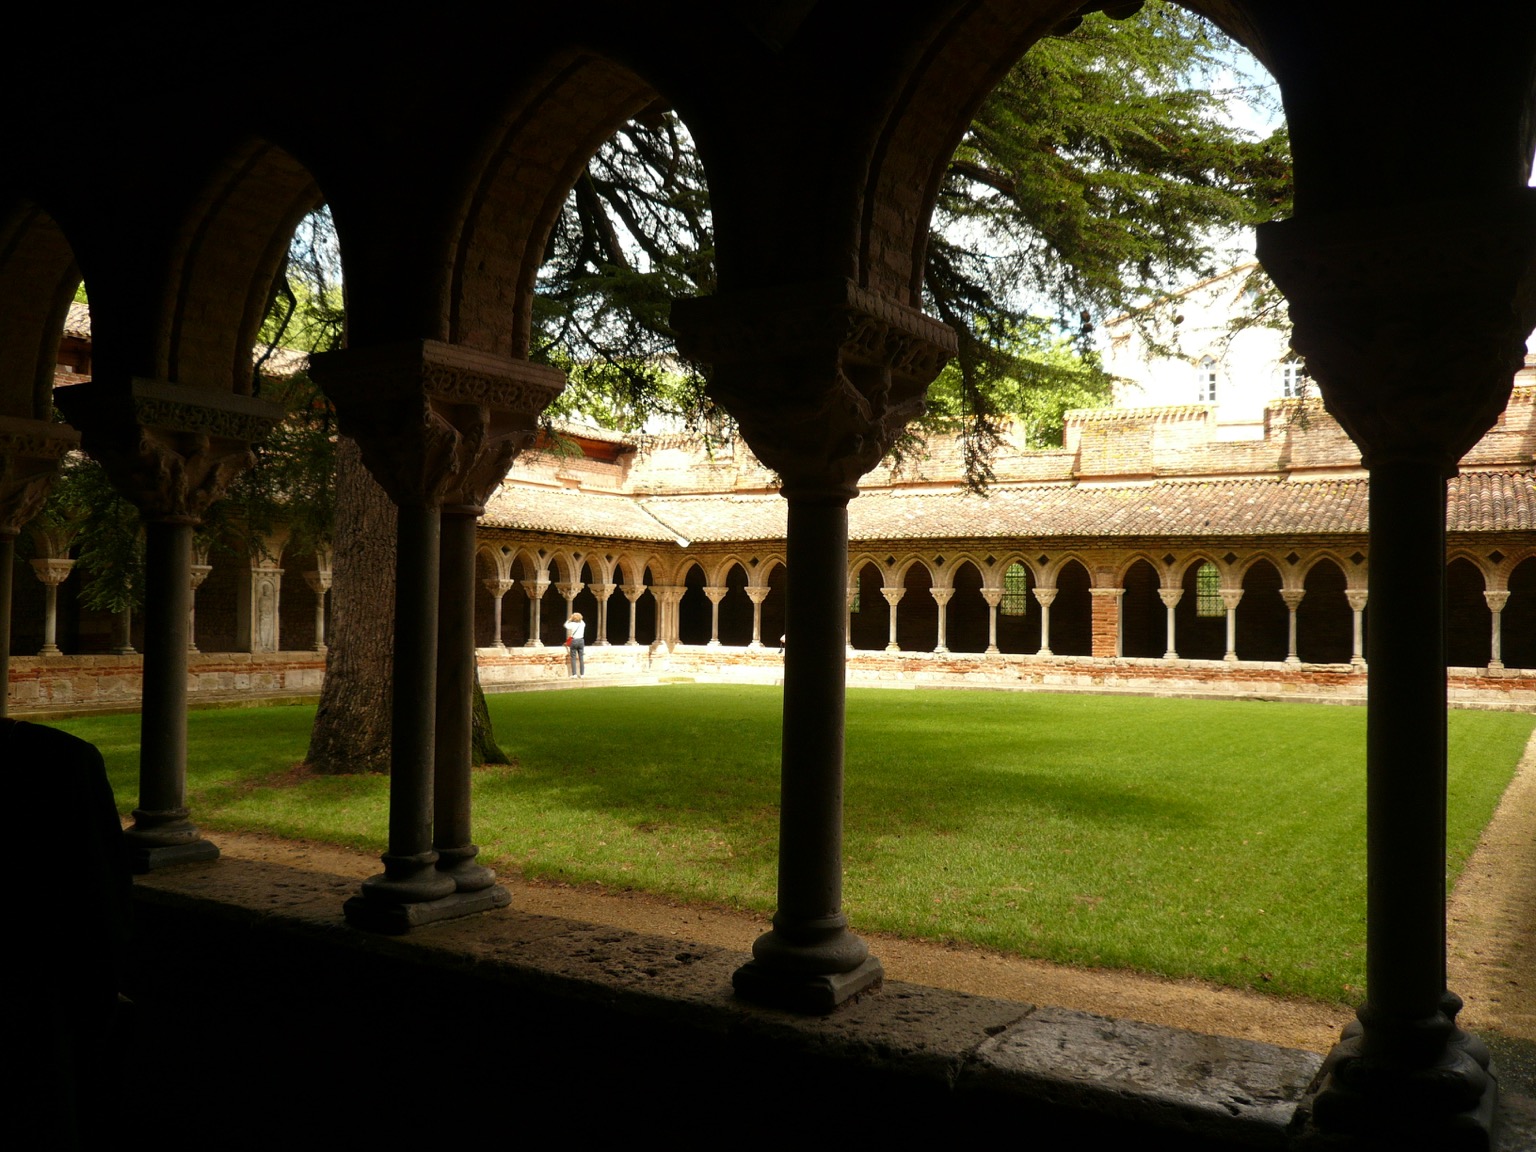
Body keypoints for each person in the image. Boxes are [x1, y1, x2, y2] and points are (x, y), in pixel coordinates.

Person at [564, 611, 586, 678]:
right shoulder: (583, 624)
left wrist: (570, 619)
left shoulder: (572, 624)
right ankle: (582, 674)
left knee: (573, 658)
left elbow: (565, 625)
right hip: (581, 641)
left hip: (574, 641)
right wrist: (578, 617)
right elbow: (581, 620)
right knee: (581, 658)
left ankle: (574, 674)